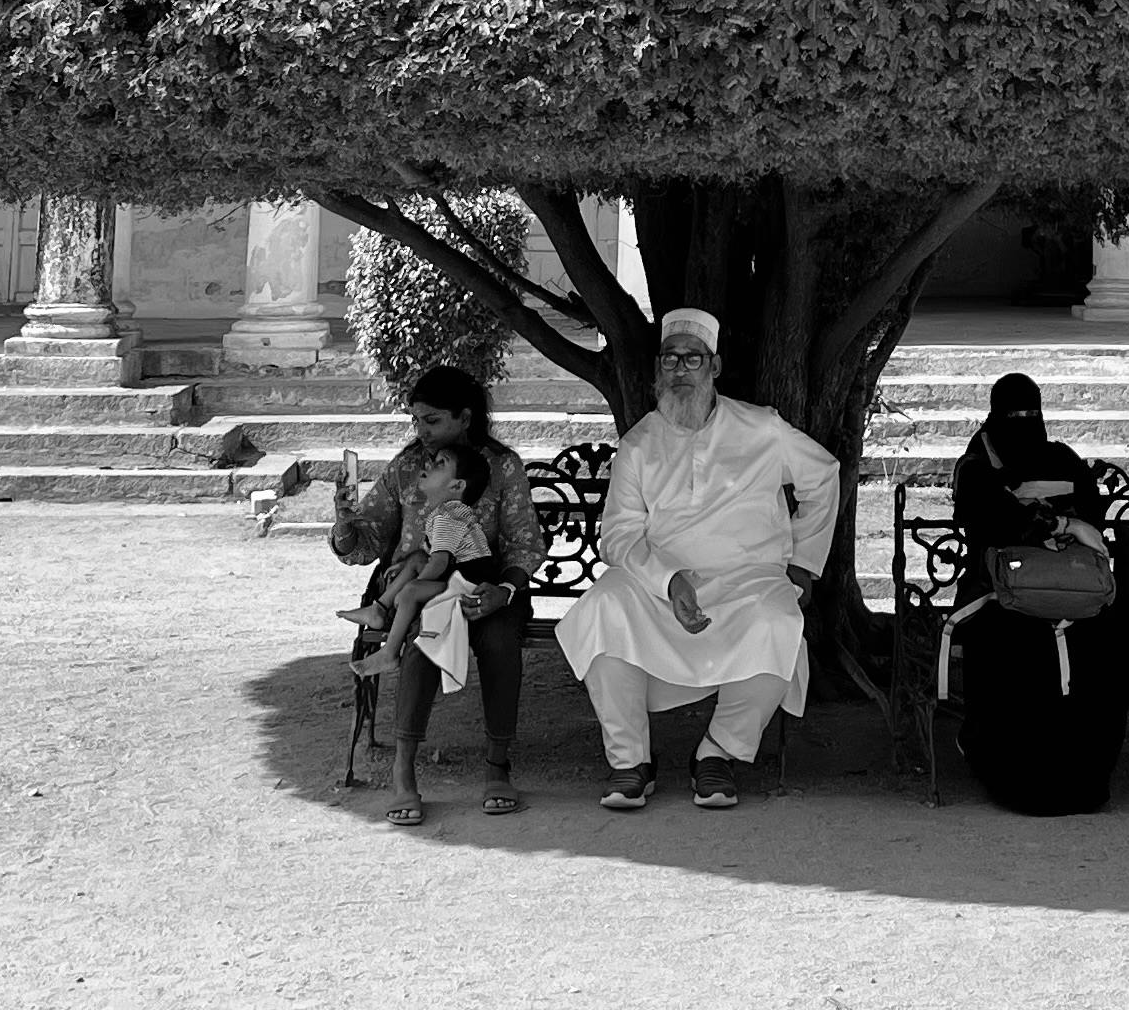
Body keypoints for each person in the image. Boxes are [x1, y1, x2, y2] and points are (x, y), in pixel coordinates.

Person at [553, 306, 841, 814]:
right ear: (657, 368)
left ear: (715, 366)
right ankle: (630, 761)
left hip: (749, 579)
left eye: (693, 359)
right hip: (658, 585)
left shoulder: (762, 428)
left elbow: (823, 475)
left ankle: (717, 754)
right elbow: (618, 535)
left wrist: (804, 560)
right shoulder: (638, 444)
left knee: (779, 621)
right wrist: (668, 580)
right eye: (670, 359)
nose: (680, 370)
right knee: (603, 606)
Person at [330, 362, 545, 821]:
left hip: (487, 589)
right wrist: (345, 526)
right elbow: (366, 542)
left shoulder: (502, 467)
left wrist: (504, 589)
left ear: (465, 417)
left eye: (432, 420)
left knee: (500, 640)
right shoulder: (408, 467)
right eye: (416, 420)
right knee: (422, 638)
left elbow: (525, 545)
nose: (420, 431)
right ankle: (403, 774)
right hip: (420, 590)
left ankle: (498, 766)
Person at [944, 370, 1129, 814]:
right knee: (1019, 659)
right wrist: (1059, 524)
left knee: (1108, 663)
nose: (1024, 425)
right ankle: (1035, 780)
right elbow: (991, 517)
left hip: (1068, 596)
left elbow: (1087, 516)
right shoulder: (981, 466)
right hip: (1000, 597)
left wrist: (1051, 527)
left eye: (1029, 416)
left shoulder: (1034, 461)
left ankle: (1079, 780)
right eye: (1017, 417)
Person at [365, 441, 497, 694]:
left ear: (457, 486)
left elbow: (439, 562)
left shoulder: (449, 515)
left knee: (410, 593)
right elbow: (430, 556)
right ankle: (378, 609)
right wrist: (408, 568)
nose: (428, 466)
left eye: (440, 464)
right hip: (458, 577)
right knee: (416, 559)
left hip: (469, 586)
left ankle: (390, 652)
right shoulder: (446, 512)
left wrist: (413, 585)